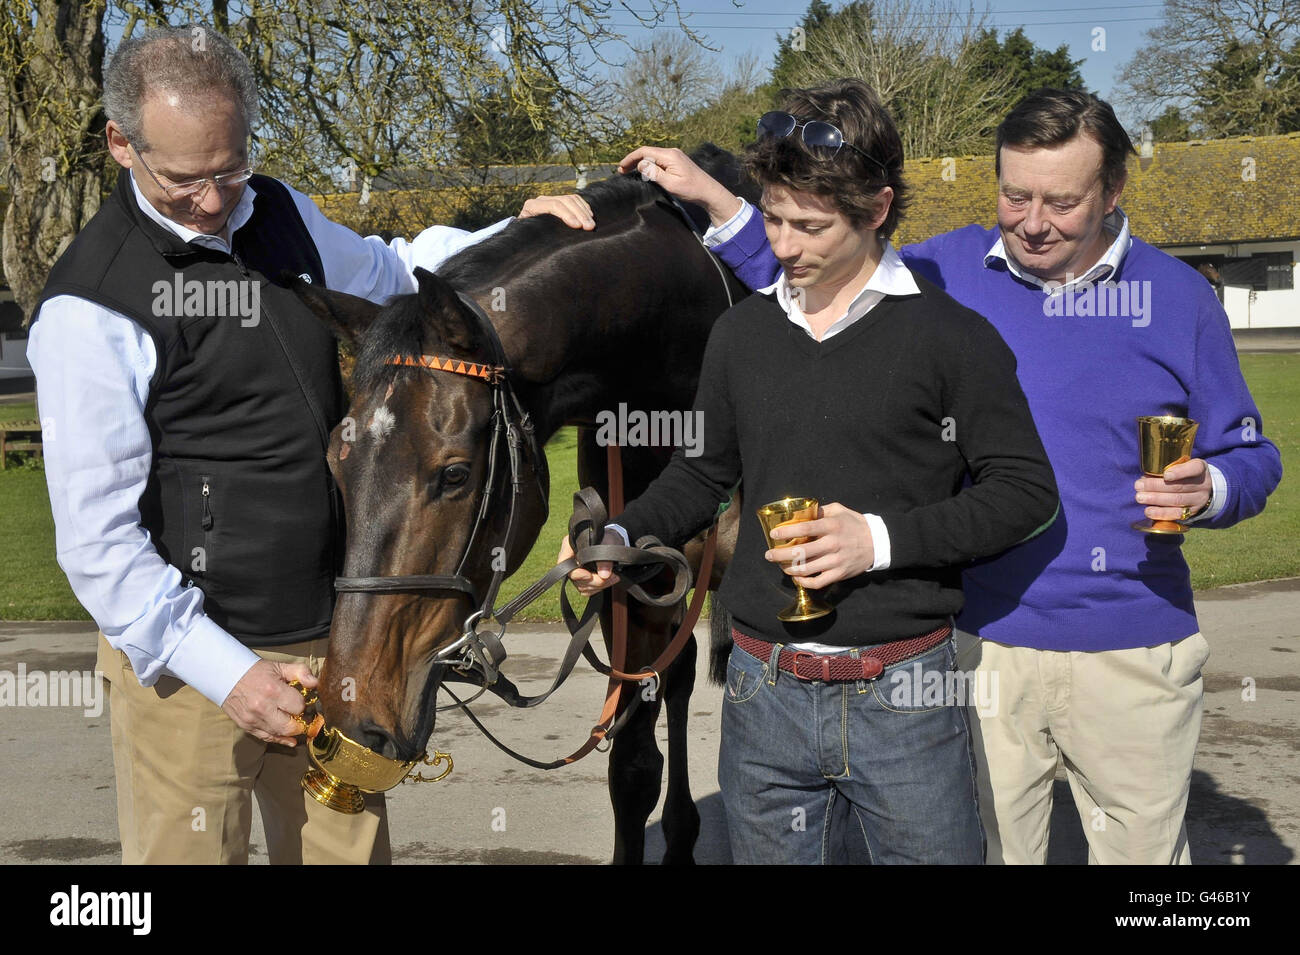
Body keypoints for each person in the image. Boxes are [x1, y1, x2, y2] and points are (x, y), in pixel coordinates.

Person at [621, 88, 1283, 864]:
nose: (1033, 221)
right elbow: (814, 261)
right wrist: (703, 195)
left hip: (1131, 648)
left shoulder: (1179, 298)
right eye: (1014, 194)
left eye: (1062, 201)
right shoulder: (944, 271)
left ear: (1113, 192)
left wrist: (1214, 488)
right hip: (980, 643)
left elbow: (1253, 454)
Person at [28, 24, 590, 865]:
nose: (215, 200)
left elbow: (394, 271)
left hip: (335, 642)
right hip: (188, 670)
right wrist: (232, 674)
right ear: (120, 143)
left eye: (230, 167)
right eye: (186, 179)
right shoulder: (91, 307)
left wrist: (513, 231)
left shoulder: (280, 212)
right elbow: (99, 547)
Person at [559, 78, 1058, 864]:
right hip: (762, 698)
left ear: (878, 209)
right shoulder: (740, 335)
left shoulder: (953, 337)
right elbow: (700, 478)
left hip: (907, 697)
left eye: (809, 225)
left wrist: (877, 541)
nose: (783, 245)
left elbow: (1027, 495)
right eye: (774, 219)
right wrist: (618, 533)